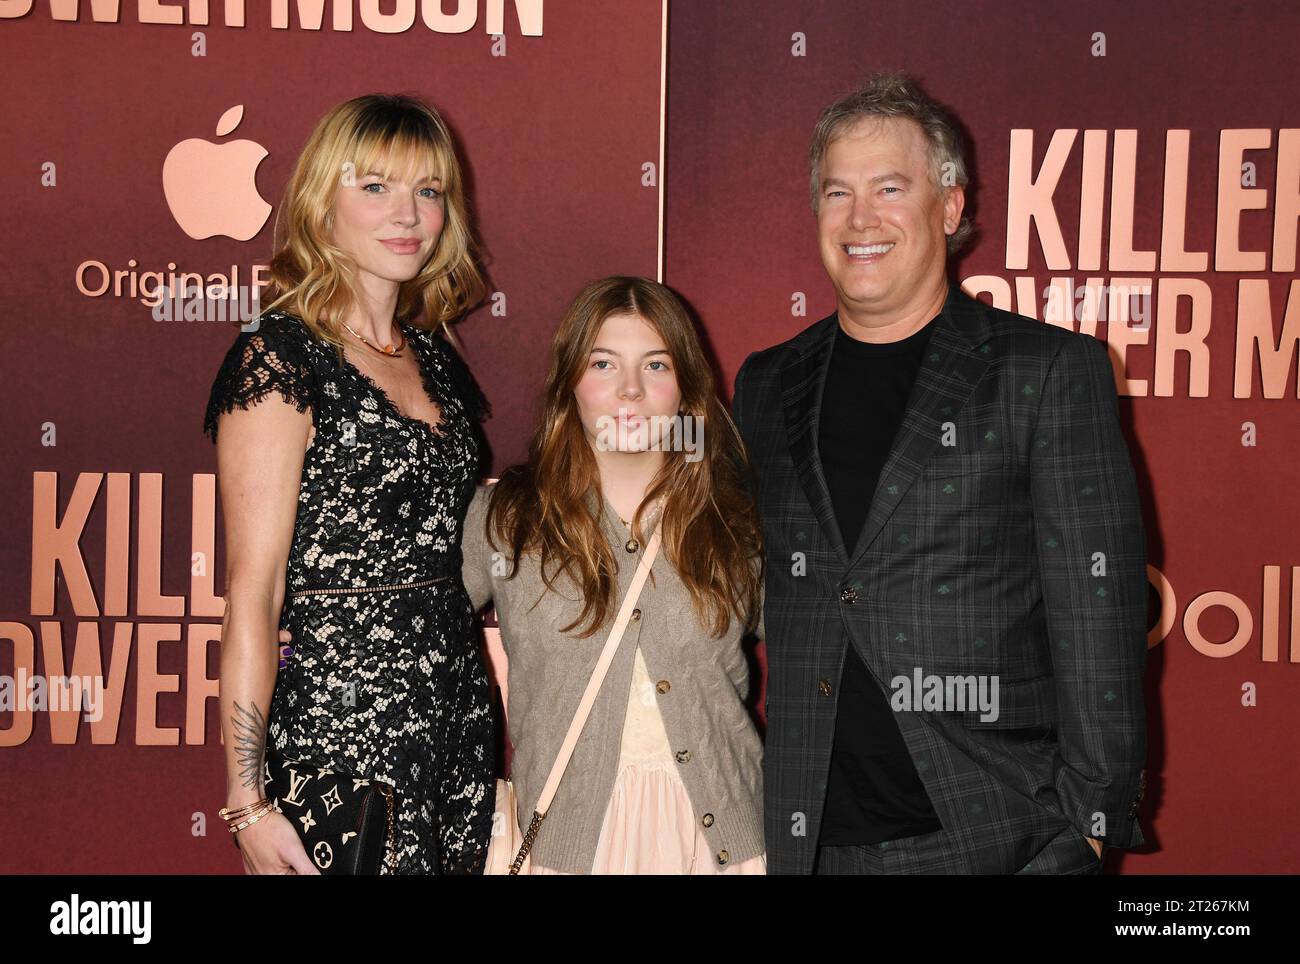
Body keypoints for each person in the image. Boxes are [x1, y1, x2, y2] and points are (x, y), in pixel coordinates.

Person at [731, 71, 1149, 874]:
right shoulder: (768, 382)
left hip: (996, 834)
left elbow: (1099, 612)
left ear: (951, 208)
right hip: (808, 838)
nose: (860, 219)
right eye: (836, 192)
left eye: (891, 188)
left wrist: (1089, 829)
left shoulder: (1045, 371)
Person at [204, 93, 495, 874]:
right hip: (341, 741)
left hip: (457, 726)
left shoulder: (436, 360)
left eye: (428, 191)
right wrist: (245, 802)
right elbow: (254, 594)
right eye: (375, 186)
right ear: (319, 204)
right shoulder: (281, 360)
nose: (409, 214)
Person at [461, 276, 767, 874]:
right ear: (570, 379)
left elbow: (823, 667)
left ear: (685, 388)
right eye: (604, 363)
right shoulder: (507, 518)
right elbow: (409, 638)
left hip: (723, 848)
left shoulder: (733, 523)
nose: (630, 390)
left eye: (655, 365)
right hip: (563, 846)